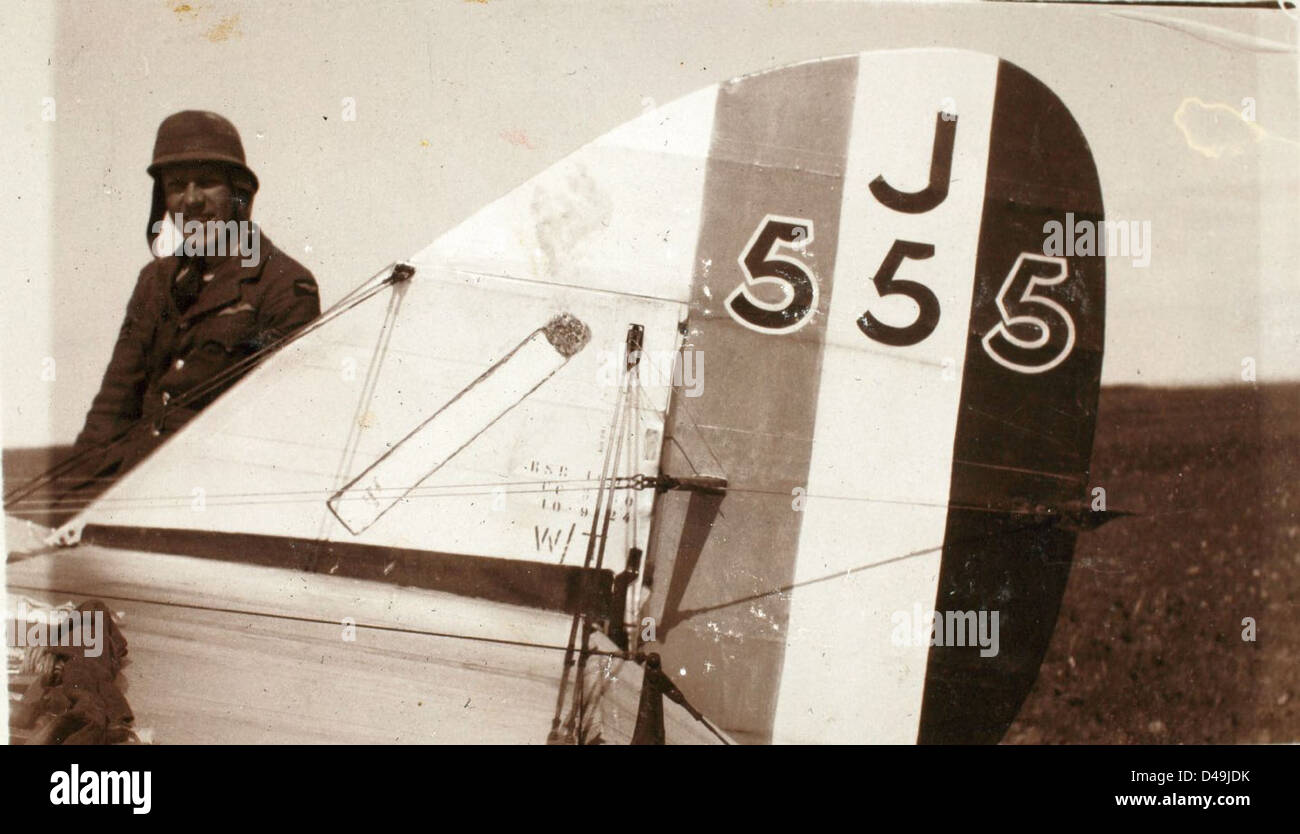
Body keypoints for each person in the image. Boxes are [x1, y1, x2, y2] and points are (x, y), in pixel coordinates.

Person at [69, 110, 320, 488]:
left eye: (206, 182)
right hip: (130, 487)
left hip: (214, 493)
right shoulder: (154, 281)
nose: (190, 200)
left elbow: (277, 427)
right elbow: (112, 407)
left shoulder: (286, 285)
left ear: (239, 193)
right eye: (175, 185)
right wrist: (70, 504)